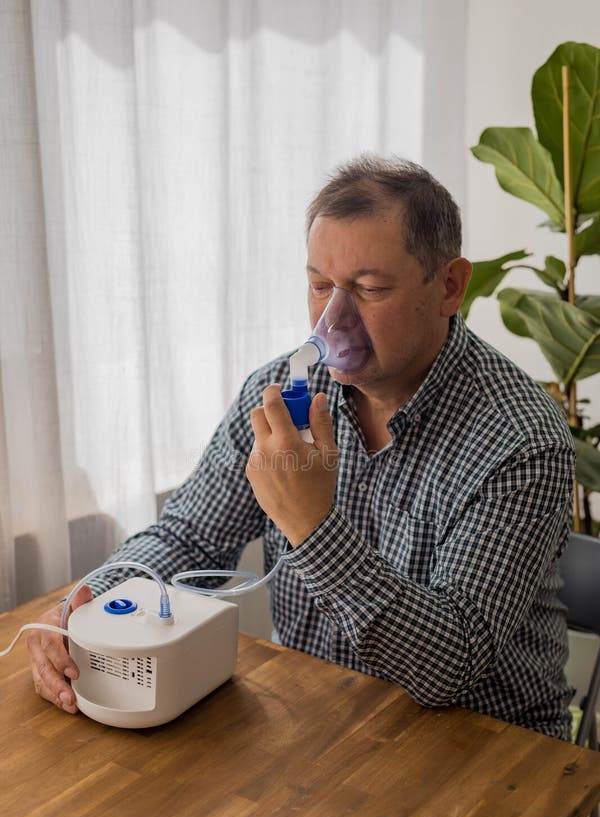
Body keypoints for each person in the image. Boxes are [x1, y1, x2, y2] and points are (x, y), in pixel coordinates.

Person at [27, 155, 575, 740]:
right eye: (320, 286)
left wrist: (313, 526)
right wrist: (86, 605)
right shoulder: (285, 394)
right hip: (322, 720)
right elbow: (190, 536)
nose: (333, 321)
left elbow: (453, 665)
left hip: (488, 747)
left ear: (449, 286)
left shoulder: (521, 439)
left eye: (368, 289)